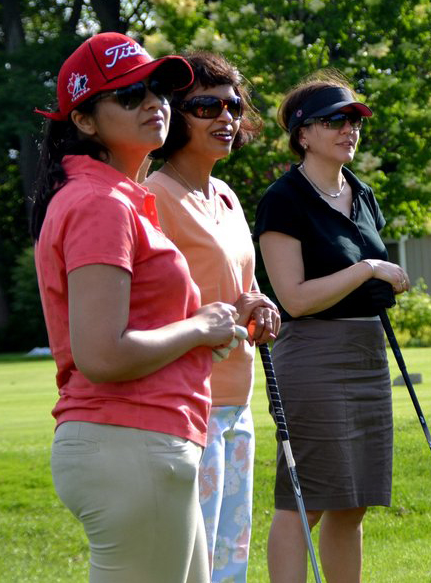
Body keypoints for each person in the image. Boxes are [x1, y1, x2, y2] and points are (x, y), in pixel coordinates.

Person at [30, 32, 241, 583]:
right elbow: (101, 354)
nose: (154, 104)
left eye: (156, 89)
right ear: (84, 121)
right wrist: (198, 327)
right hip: (129, 443)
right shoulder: (99, 204)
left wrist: (203, 332)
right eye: (128, 96)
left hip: (147, 442)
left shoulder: (118, 198)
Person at [254, 73, 410, 583]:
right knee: (310, 499)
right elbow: (294, 299)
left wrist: (380, 281)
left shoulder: (361, 194)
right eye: (335, 121)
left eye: (354, 120)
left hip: (367, 353)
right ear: (303, 134)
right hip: (313, 355)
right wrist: (367, 270)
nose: (350, 129)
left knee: (354, 501)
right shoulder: (284, 199)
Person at [145, 51, 281, 582]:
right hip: (187, 407)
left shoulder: (225, 196)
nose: (226, 118)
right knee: (190, 566)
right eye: (206, 106)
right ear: (176, 115)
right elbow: (150, 305)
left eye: (233, 105)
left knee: (230, 562)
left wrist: (258, 305)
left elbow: (242, 286)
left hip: (237, 403)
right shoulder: (155, 197)